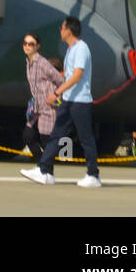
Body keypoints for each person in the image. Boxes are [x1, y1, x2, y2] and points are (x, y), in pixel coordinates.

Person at [21, 16, 101, 187]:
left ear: (69, 31)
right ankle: (45, 171)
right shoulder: (71, 49)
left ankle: (93, 175)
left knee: (86, 138)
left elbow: (77, 75)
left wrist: (57, 92)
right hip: (69, 100)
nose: (60, 30)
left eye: (62, 27)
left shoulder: (81, 49)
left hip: (80, 102)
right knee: (56, 135)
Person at [22, 31, 64, 161]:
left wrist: (56, 95)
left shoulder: (43, 63)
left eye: (31, 44)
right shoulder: (28, 63)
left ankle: (46, 169)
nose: (27, 46)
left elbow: (61, 80)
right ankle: (41, 163)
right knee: (28, 136)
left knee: (46, 140)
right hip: (35, 107)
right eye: (25, 43)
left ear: (37, 46)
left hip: (48, 107)